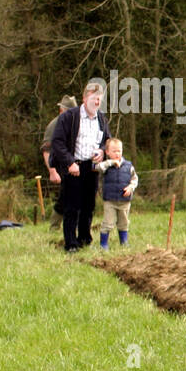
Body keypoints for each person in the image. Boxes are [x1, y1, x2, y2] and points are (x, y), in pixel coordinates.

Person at [51, 81, 110, 252]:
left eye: (99, 99)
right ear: (85, 98)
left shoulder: (101, 118)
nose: (97, 102)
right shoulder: (68, 117)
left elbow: (108, 140)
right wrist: (69, 162)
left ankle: (84, 239)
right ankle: (70, 243)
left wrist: (102, 151)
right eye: (94, 98)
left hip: (91, 168)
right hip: (73, 167)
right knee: (71, 207)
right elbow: (58, 143)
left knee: (88, 206)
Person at [94, 137, 138, 249]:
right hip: (110, 201)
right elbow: (98, 167)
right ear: (107, 152)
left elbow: (135, 179)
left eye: (119, 150)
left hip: (124, 201)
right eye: (114, 151)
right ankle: (103, 244)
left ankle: (124, 242)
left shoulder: (128, 166)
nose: (117, 153)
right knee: (108, 223)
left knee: (124, 223)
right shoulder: (106, 166)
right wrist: (110, 162)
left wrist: (130, 188)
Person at [41, 94, 76, 229]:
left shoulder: (75, 123)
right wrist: (52, 171)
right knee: (65, 196)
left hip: (73, 164)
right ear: (62, 110)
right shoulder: (54, 125)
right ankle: (54, 225)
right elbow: (46, 150)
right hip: (60, 165)